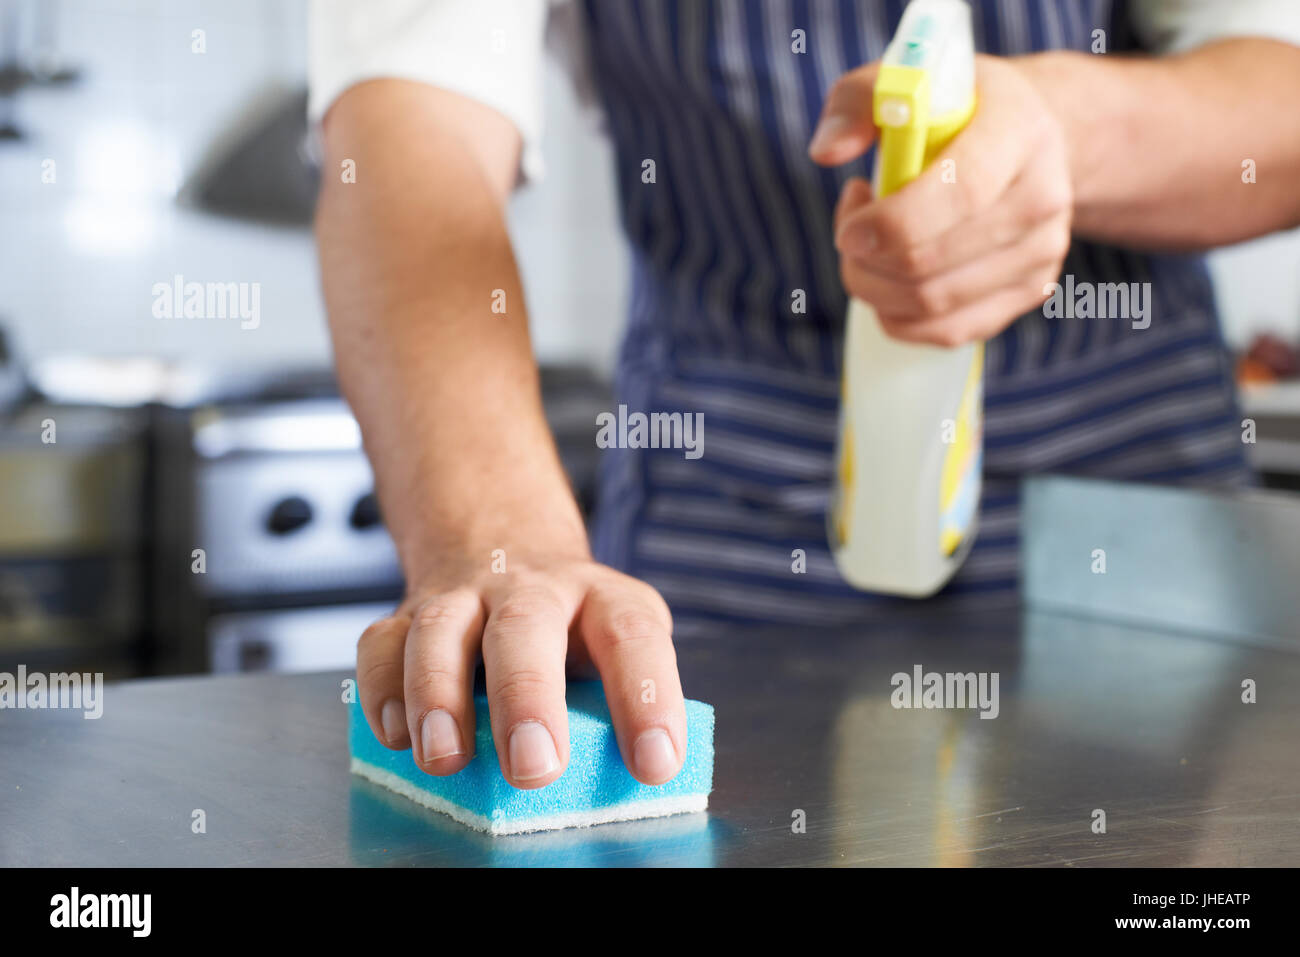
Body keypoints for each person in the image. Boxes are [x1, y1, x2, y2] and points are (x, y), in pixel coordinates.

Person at [309, 0, 1300, 789]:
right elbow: (410, 121)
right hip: (727, 511)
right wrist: (498, 539)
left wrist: (1059, 130)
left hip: (1125, 511)